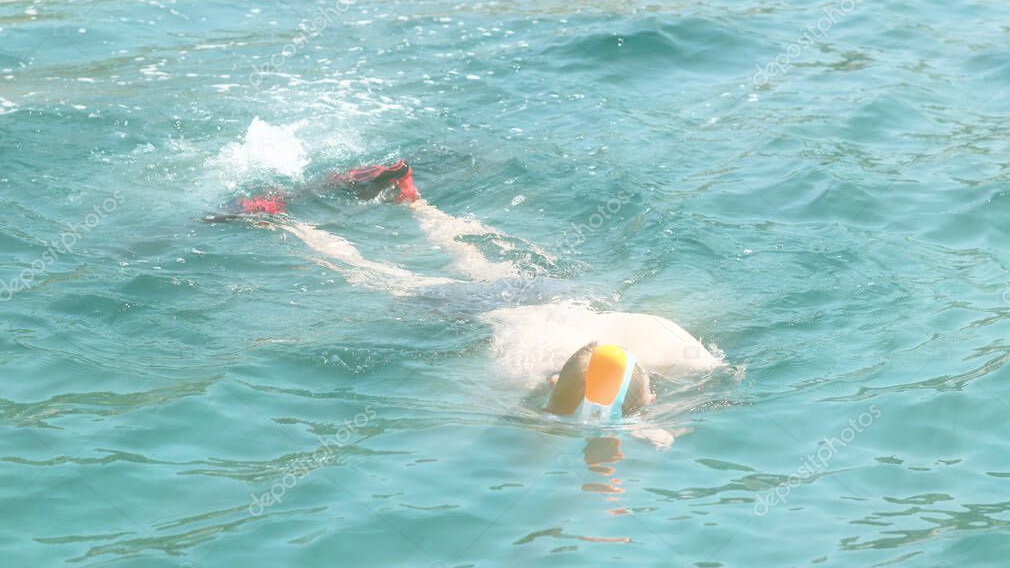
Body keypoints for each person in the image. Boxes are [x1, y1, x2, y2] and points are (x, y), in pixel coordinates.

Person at [210, 159, 723, 426]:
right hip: (505, 311)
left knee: (474, 256)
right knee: (379, 273)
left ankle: (412, 199)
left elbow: (702, 379)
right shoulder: (524, 368)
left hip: (554, 293)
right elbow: (545, 415)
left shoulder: (662, 341)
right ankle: (281, 221)